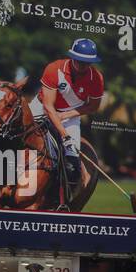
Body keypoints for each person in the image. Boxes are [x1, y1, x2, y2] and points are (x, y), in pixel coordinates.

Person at [32, 38, 105, 202]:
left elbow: (93, 106)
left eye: (88, 62)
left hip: (70, 115)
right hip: (41, 107)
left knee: (72, 164)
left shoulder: (96, 78)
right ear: (72, 57)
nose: (84, 66)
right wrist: (65, 136)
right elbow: (48, 107)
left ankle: (61, 201)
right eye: (80, 62)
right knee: (16, 135)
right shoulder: (54, 69)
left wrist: (66, 115)